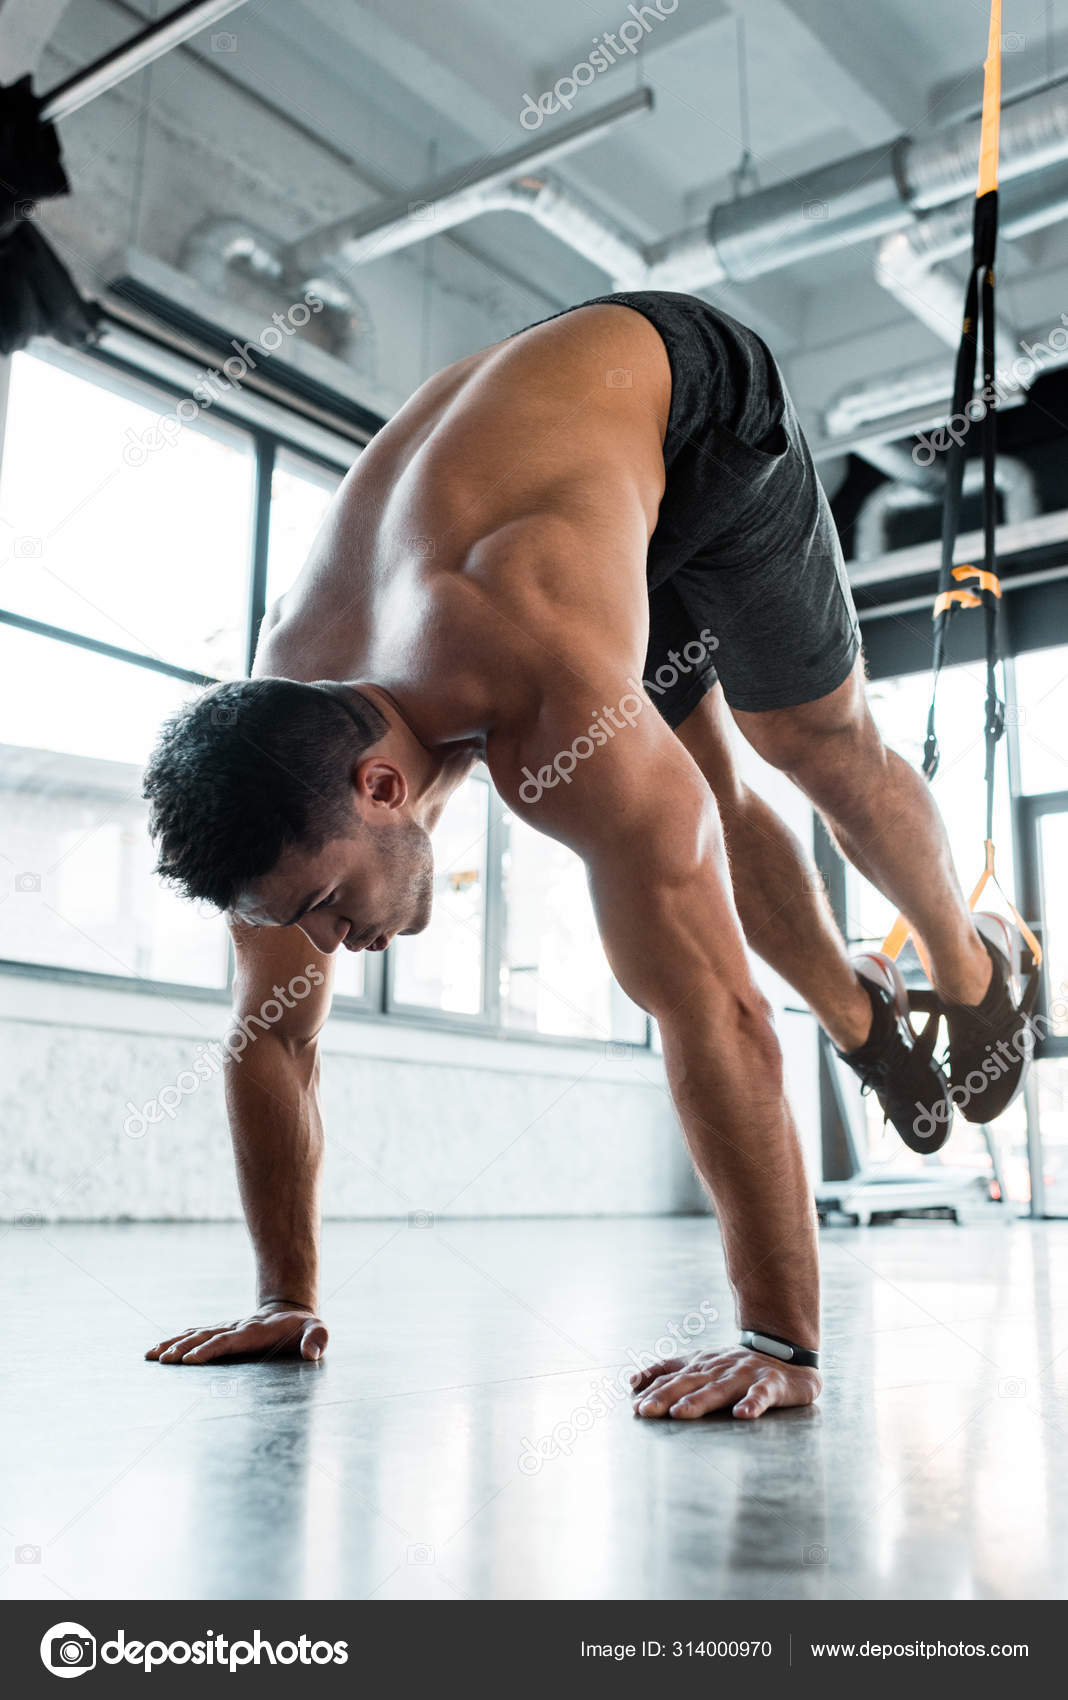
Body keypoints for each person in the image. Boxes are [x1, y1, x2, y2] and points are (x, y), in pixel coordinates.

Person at [141, 292, 1030, 1419]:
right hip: (551, 496)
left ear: (381, 785)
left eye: (323, 904)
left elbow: (716, 1010)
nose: (329, 941)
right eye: (300, 920)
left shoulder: (538, 686)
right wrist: (283, 1293)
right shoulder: (275, 772)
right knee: (690, 806)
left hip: (694, 416)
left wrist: (778, 1341)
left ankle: (970, 969)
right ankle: (864, 1017)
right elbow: (271, 1040)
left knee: (803, 743)